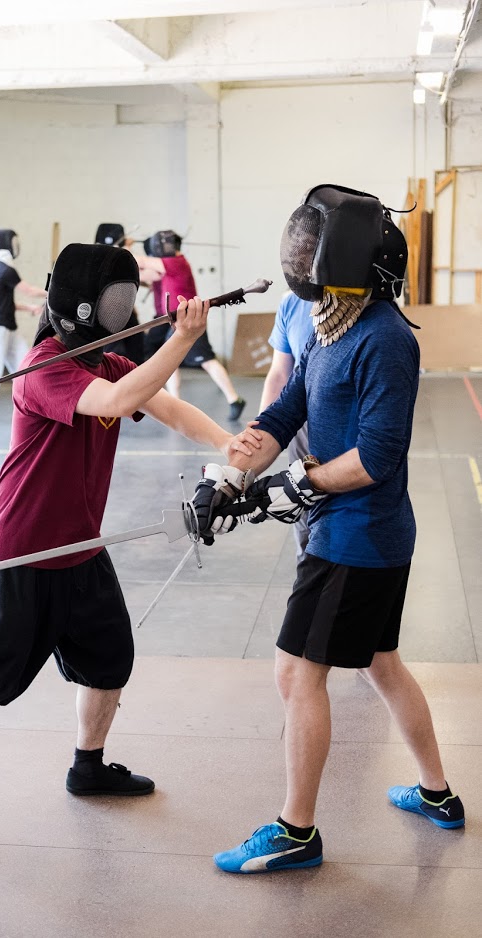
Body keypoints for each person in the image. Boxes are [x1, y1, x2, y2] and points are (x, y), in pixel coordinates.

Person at [0, 242, 261, 837]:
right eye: (119, 299)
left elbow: (163, 406)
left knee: (109, 657)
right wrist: (181, 340)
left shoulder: (104, 363)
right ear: (88, 307)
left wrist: (226, 442)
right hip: (23, 550)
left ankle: (87, 768)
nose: (129, 308)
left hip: (82, 550)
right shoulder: (45, 368)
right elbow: (118, 402)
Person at [193, 184, 465, 875]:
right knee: (380, 663)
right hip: (350, 532)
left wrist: (299, 483)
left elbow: (376, 457)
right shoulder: (328, 321)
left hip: (358, 536)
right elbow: (288, 407)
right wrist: (233, 476)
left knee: (294, 674)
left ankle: (297, 831)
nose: (302, 260)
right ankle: (437, 795)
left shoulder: (386, 339)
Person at [135, 230, 246, 420]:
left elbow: (142, 262)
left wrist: (121, 249)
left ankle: (234, 399)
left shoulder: (175, 263)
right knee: (170, 361)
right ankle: (174, 405)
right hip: (178, 321)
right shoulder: (167, 267)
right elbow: (144, 274)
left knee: (207, 360)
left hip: (190, 318)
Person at [0, 229, 46, 422]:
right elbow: (28, 290)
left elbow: (4, 303)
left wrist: (29, 308)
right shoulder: (3, 270)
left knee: (25, 364)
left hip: (6, 326)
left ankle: (34, 403)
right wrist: (52, 292)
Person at [259, 291, 314, 562]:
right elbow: (281, 373)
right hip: (303, 431)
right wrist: (257, 437)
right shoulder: (291, 303)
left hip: (349, 432)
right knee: (303, 518)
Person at [94, 223, 144, 365]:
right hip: (106, 312)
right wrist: (127, 248)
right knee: (112, 352)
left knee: (136, 346)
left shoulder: (117, 255)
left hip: (123, 309)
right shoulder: (99, 255)